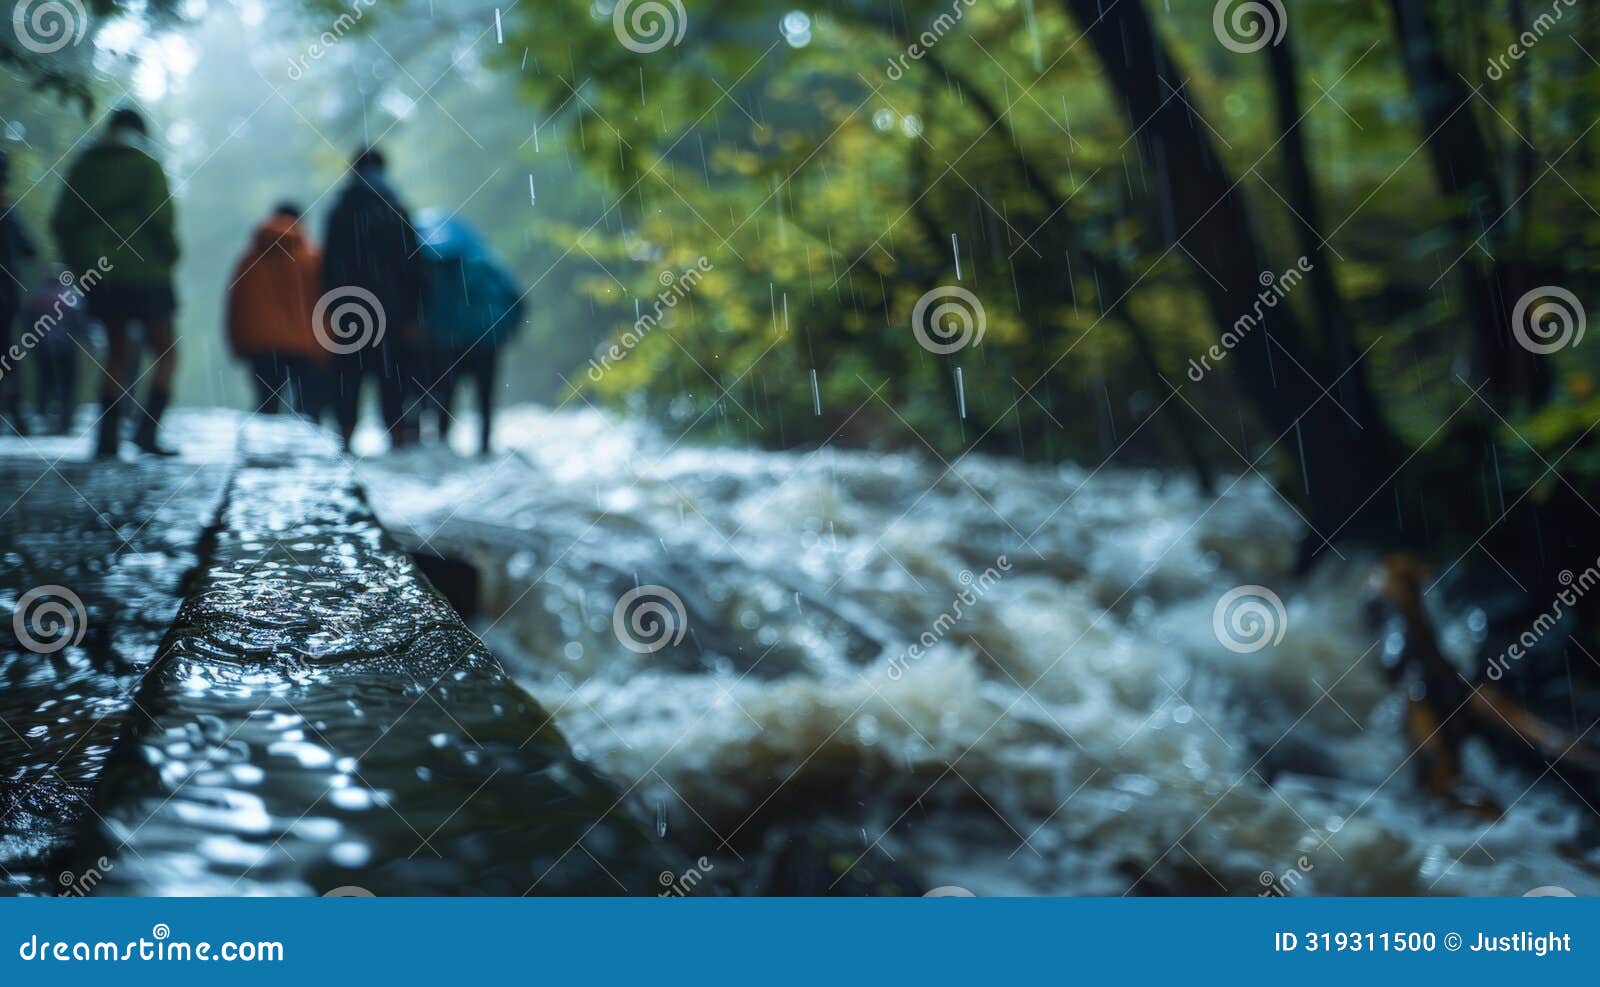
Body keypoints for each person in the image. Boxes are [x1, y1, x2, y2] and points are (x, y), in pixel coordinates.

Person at [50, 107, 181, 458]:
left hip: (102, 274)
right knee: (166, 351)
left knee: (117, 350)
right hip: (148, 272)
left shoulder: (84, 167)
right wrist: (169, 255)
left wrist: (82, 264)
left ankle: (107, 438)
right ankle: (147, 432)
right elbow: (161, 220)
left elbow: (61, 222)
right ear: (140, 132)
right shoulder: (147, 165)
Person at [320, 146, 425, 452]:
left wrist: (330, 308)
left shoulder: (339, 209)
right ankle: (396, 444)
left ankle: (345, 444)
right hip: (392, 312)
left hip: (349, 311)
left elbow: (328, 266)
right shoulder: (396, 208)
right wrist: (413, 314)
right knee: (392, 380)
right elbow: (414, 266)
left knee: (348, 381)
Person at [414, 209, 524, 455]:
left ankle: (443, 447)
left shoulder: (435, 268)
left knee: (446, 397)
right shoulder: (486, 262)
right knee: (484, 398)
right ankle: (484, 448)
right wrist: (510, 331)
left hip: (452, 342)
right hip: (488, 340)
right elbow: (516, 298)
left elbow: (432, 310)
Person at [226, 202, 328, 417]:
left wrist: (238, 344)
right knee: (307, 409)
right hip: (305, 344)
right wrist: (328, 346)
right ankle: (306, 448)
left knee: (267, 404)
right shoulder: (313, 259)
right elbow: (325, 304)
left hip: (261, 344)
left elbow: (237, 305)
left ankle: (263, 448)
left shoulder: (249, 259)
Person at [22, 266, 95, 435]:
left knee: (44, 381)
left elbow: (26, 322)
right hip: (67, 348)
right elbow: (82, 324)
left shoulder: (35, 297)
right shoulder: (73, 297)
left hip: (42, 347)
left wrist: (30, 341)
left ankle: (43, 416)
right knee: (68, 383)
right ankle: (65, 420)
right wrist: (88, 342)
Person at [0, 148, 38, 436]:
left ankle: (15, 410)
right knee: (6, 350)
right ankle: (16, 411)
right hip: (6, 295)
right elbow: (30, 249)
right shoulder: (8, 212)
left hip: (7, 295)